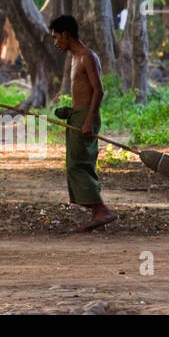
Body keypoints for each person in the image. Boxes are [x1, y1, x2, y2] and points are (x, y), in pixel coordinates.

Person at [49, 14, 117, 232]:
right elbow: (83, 92)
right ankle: (98, 214)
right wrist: (69, 111)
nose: (55, 42)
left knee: (78, 165)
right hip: (78, 116)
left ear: (66, 35)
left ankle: (101, 210)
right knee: (78, 164)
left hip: (86, 118)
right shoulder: (74, 57)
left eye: (56, 37)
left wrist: (88, 121)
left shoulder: (87, 57)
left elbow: (99, 91)